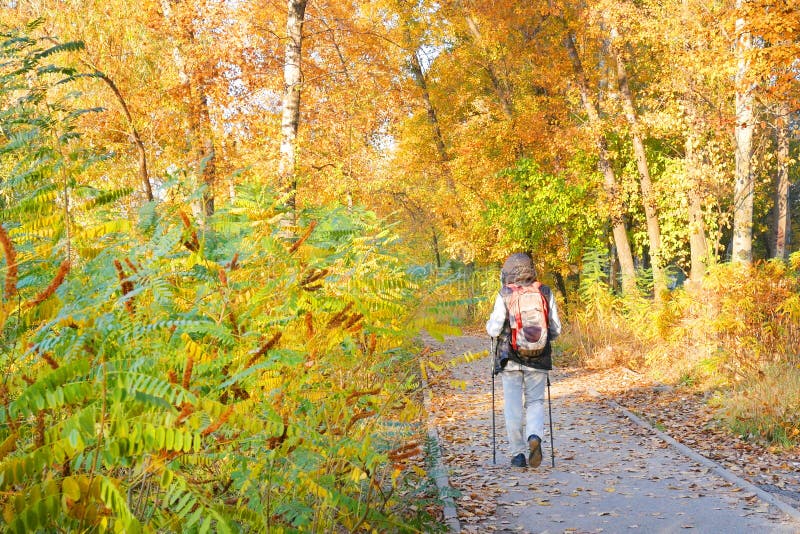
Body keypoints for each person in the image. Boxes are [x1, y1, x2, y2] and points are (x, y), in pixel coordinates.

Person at [486, 253, 561, 468]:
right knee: (535, 402)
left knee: (513, 406)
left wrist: (490, 328)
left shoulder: (505, 293)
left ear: (508, 273)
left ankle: (518, 454)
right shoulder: (545, 292)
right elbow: (556, 329)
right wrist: (543, 341)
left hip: (509, 358)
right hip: (538, 358)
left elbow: (494, 329)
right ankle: (534, 437)